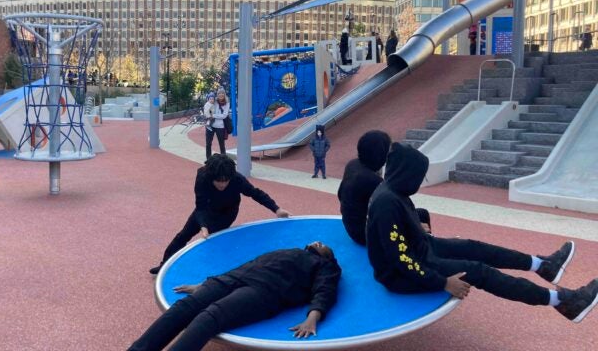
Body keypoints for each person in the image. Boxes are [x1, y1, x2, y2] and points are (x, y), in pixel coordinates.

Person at [366, 143, 598, 323]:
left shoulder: (392, 189)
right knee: (478, 271)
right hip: (403, 274)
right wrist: (442, 282)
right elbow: (401, 259)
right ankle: (562, 302)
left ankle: (542, 266)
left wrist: (416, 225)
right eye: (419, 177)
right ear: (406, 174)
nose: (419, 182)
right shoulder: (387, 202)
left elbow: (400, 224)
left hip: (421, 249)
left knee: (472, 247)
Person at [131, 242, 341, 351]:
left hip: (265, 290)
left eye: (323, 245)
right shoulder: (289, 251)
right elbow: (250, 263)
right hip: (238, 276)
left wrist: (313, 317)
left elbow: (325, 289)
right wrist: (204, 285)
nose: (318, 242)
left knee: (210, 317)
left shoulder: (325, 265)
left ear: (327, 256)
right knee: (185, 307)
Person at [149, 154, 291, 274]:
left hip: (227, 212)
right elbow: (200, 206)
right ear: (211, 176)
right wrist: (203, 225)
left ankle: (213, 271)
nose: (222, 185)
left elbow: (255, 193)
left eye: (226, 181)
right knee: (183, 235)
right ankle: (164, 265)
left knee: (215, 239)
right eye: (218, 181)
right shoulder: (202, 177)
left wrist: (277, 209)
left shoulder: (237, 179)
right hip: (206, 209)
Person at [338, 131, 431, 246]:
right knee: (422, 215)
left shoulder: (353, 165)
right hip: (364, 234)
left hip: (350, 225)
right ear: (380, 154)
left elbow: (340, 194)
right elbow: (389, 215)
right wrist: (415, 227)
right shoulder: (374, 182)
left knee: (417, 215)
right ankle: (425, 249)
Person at [202, 88, 229, 160]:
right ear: (217, 94)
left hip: (220, 126)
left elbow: (224, 115)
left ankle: (224, 160)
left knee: (221, 144)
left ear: (224, 94)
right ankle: (208, 160)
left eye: (222, 93)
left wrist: (213, 115)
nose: (221, 94)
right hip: (210, 125)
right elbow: (207, 106)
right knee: (208, 143)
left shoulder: (227, 103)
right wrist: (207, 114)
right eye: (219, 93)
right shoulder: (214, 100)